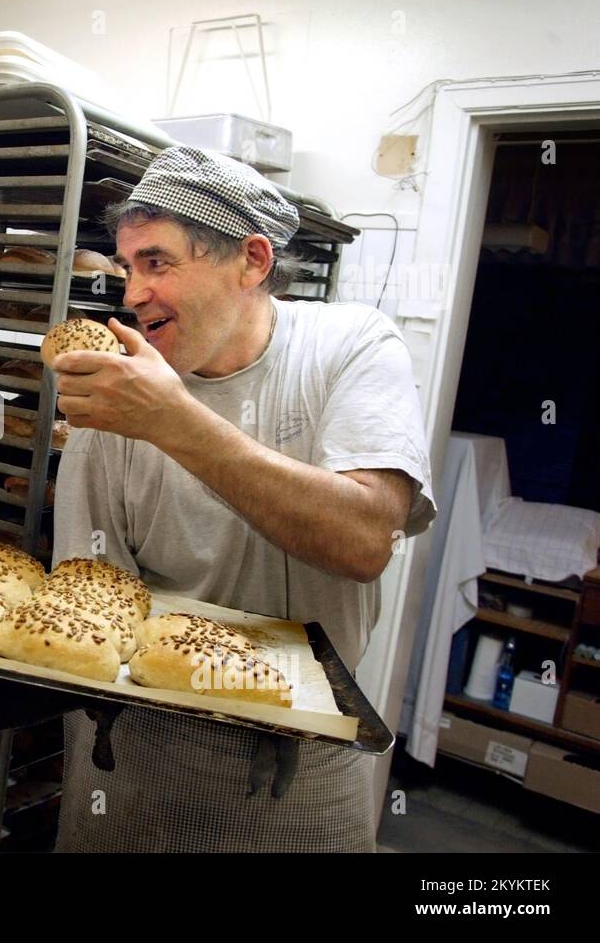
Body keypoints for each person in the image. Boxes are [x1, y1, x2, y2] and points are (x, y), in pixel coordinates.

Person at [49, 147, 436, 851]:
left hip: (305, 763)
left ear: (252, 261)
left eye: (158, 263)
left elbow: (364, 542)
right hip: (140, 756)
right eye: (127, 266)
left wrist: (174, 421)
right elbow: (90, 597)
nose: (132, 292)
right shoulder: (116, 395)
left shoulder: (350, 349)